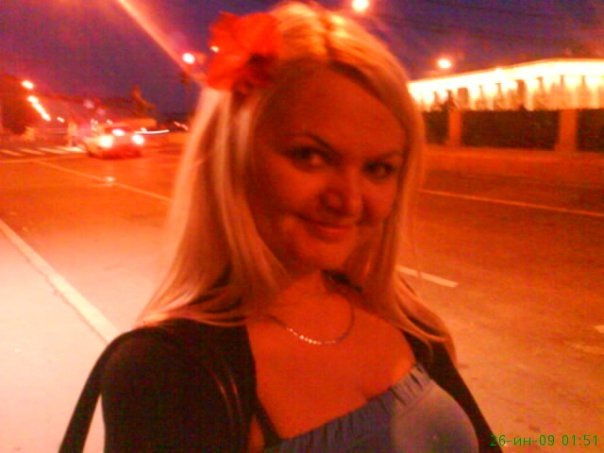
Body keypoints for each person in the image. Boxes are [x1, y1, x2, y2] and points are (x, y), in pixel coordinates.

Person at [99, 2, 501, 451]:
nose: (349, 201)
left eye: (379, 168)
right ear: (232, 157)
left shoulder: (399, 312)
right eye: (311, 156)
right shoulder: (168, 372)